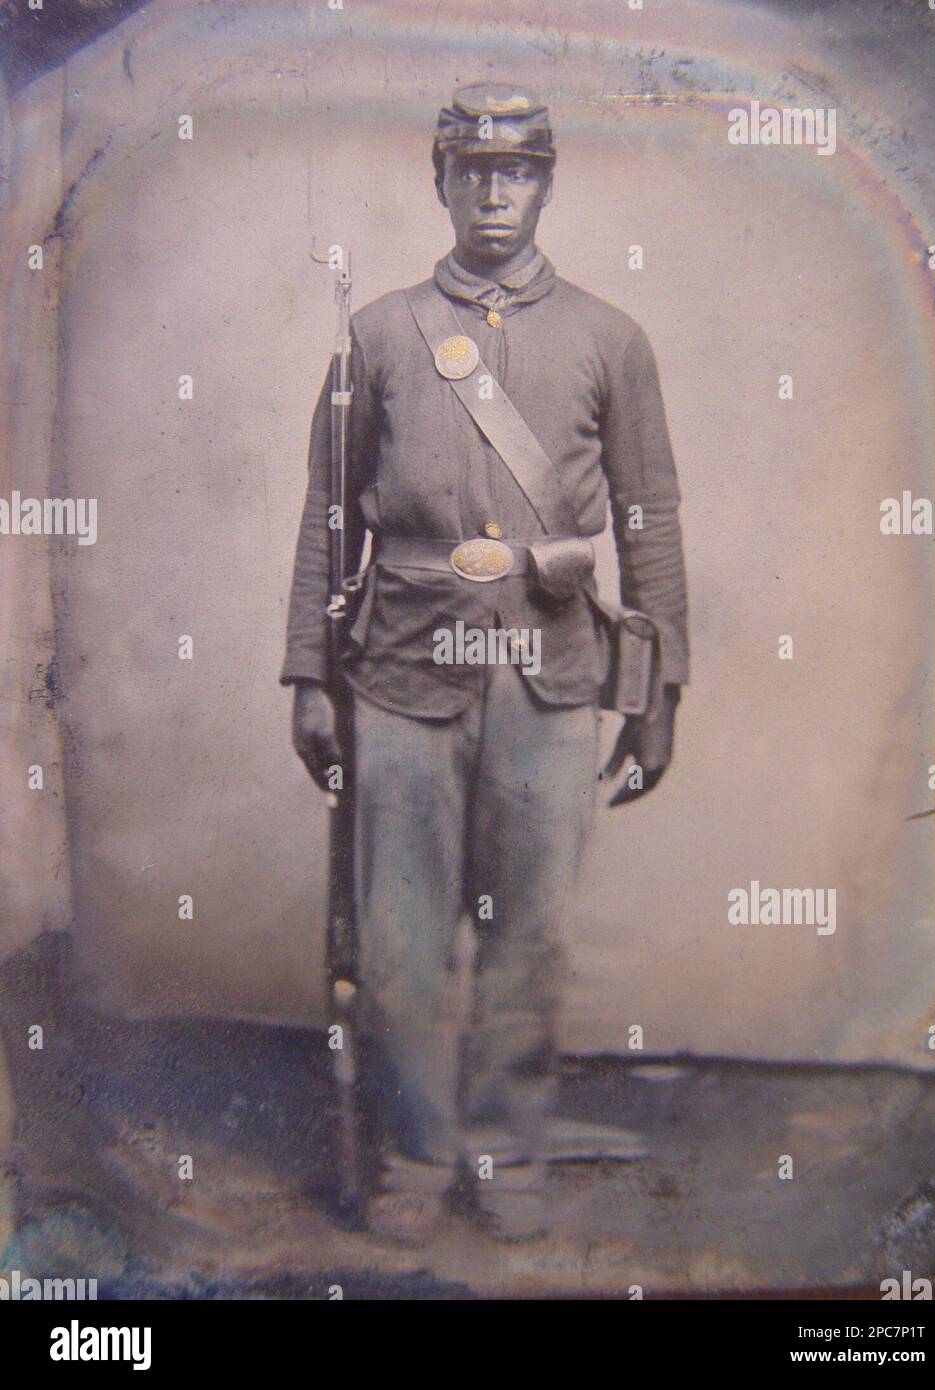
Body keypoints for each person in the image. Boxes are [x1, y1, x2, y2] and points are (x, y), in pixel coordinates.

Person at [281, 82, 689, 1244]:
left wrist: (656, 696)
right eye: (473, 171)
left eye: (517, 171)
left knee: (530, 935)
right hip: (401, 674)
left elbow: (651, 519)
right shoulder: (380, 336)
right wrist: (310, 671)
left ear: (547, 182)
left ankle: (506, 1150)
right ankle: (412, 1162)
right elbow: (327, 516)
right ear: (442, 182)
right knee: (401, 937)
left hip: (552, 673)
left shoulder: (612, 340)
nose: (495, 192)